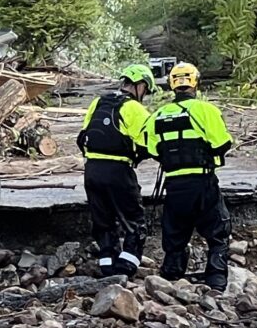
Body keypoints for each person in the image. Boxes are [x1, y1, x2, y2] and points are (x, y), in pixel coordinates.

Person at [144, 62, 234, 291]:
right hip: (203, 182)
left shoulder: (157, 115)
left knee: (175, 234)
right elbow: (223, 143)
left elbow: (151, 149)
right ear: (195, 82)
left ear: (172, 84)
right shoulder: (207, 110)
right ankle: (216, 281)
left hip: (174, 185)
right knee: (218, 232)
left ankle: (171, 279)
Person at [77, 63, 155, 276]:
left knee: (103, 221)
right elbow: (149, 143)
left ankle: (107, 265)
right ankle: (127, 267)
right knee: (134, 221)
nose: (145, 95)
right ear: (139, 86)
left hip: (92, 171)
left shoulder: (98, 102)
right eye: (145, 90)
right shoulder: (135, 109)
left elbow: (83, 136)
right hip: (118, 170)